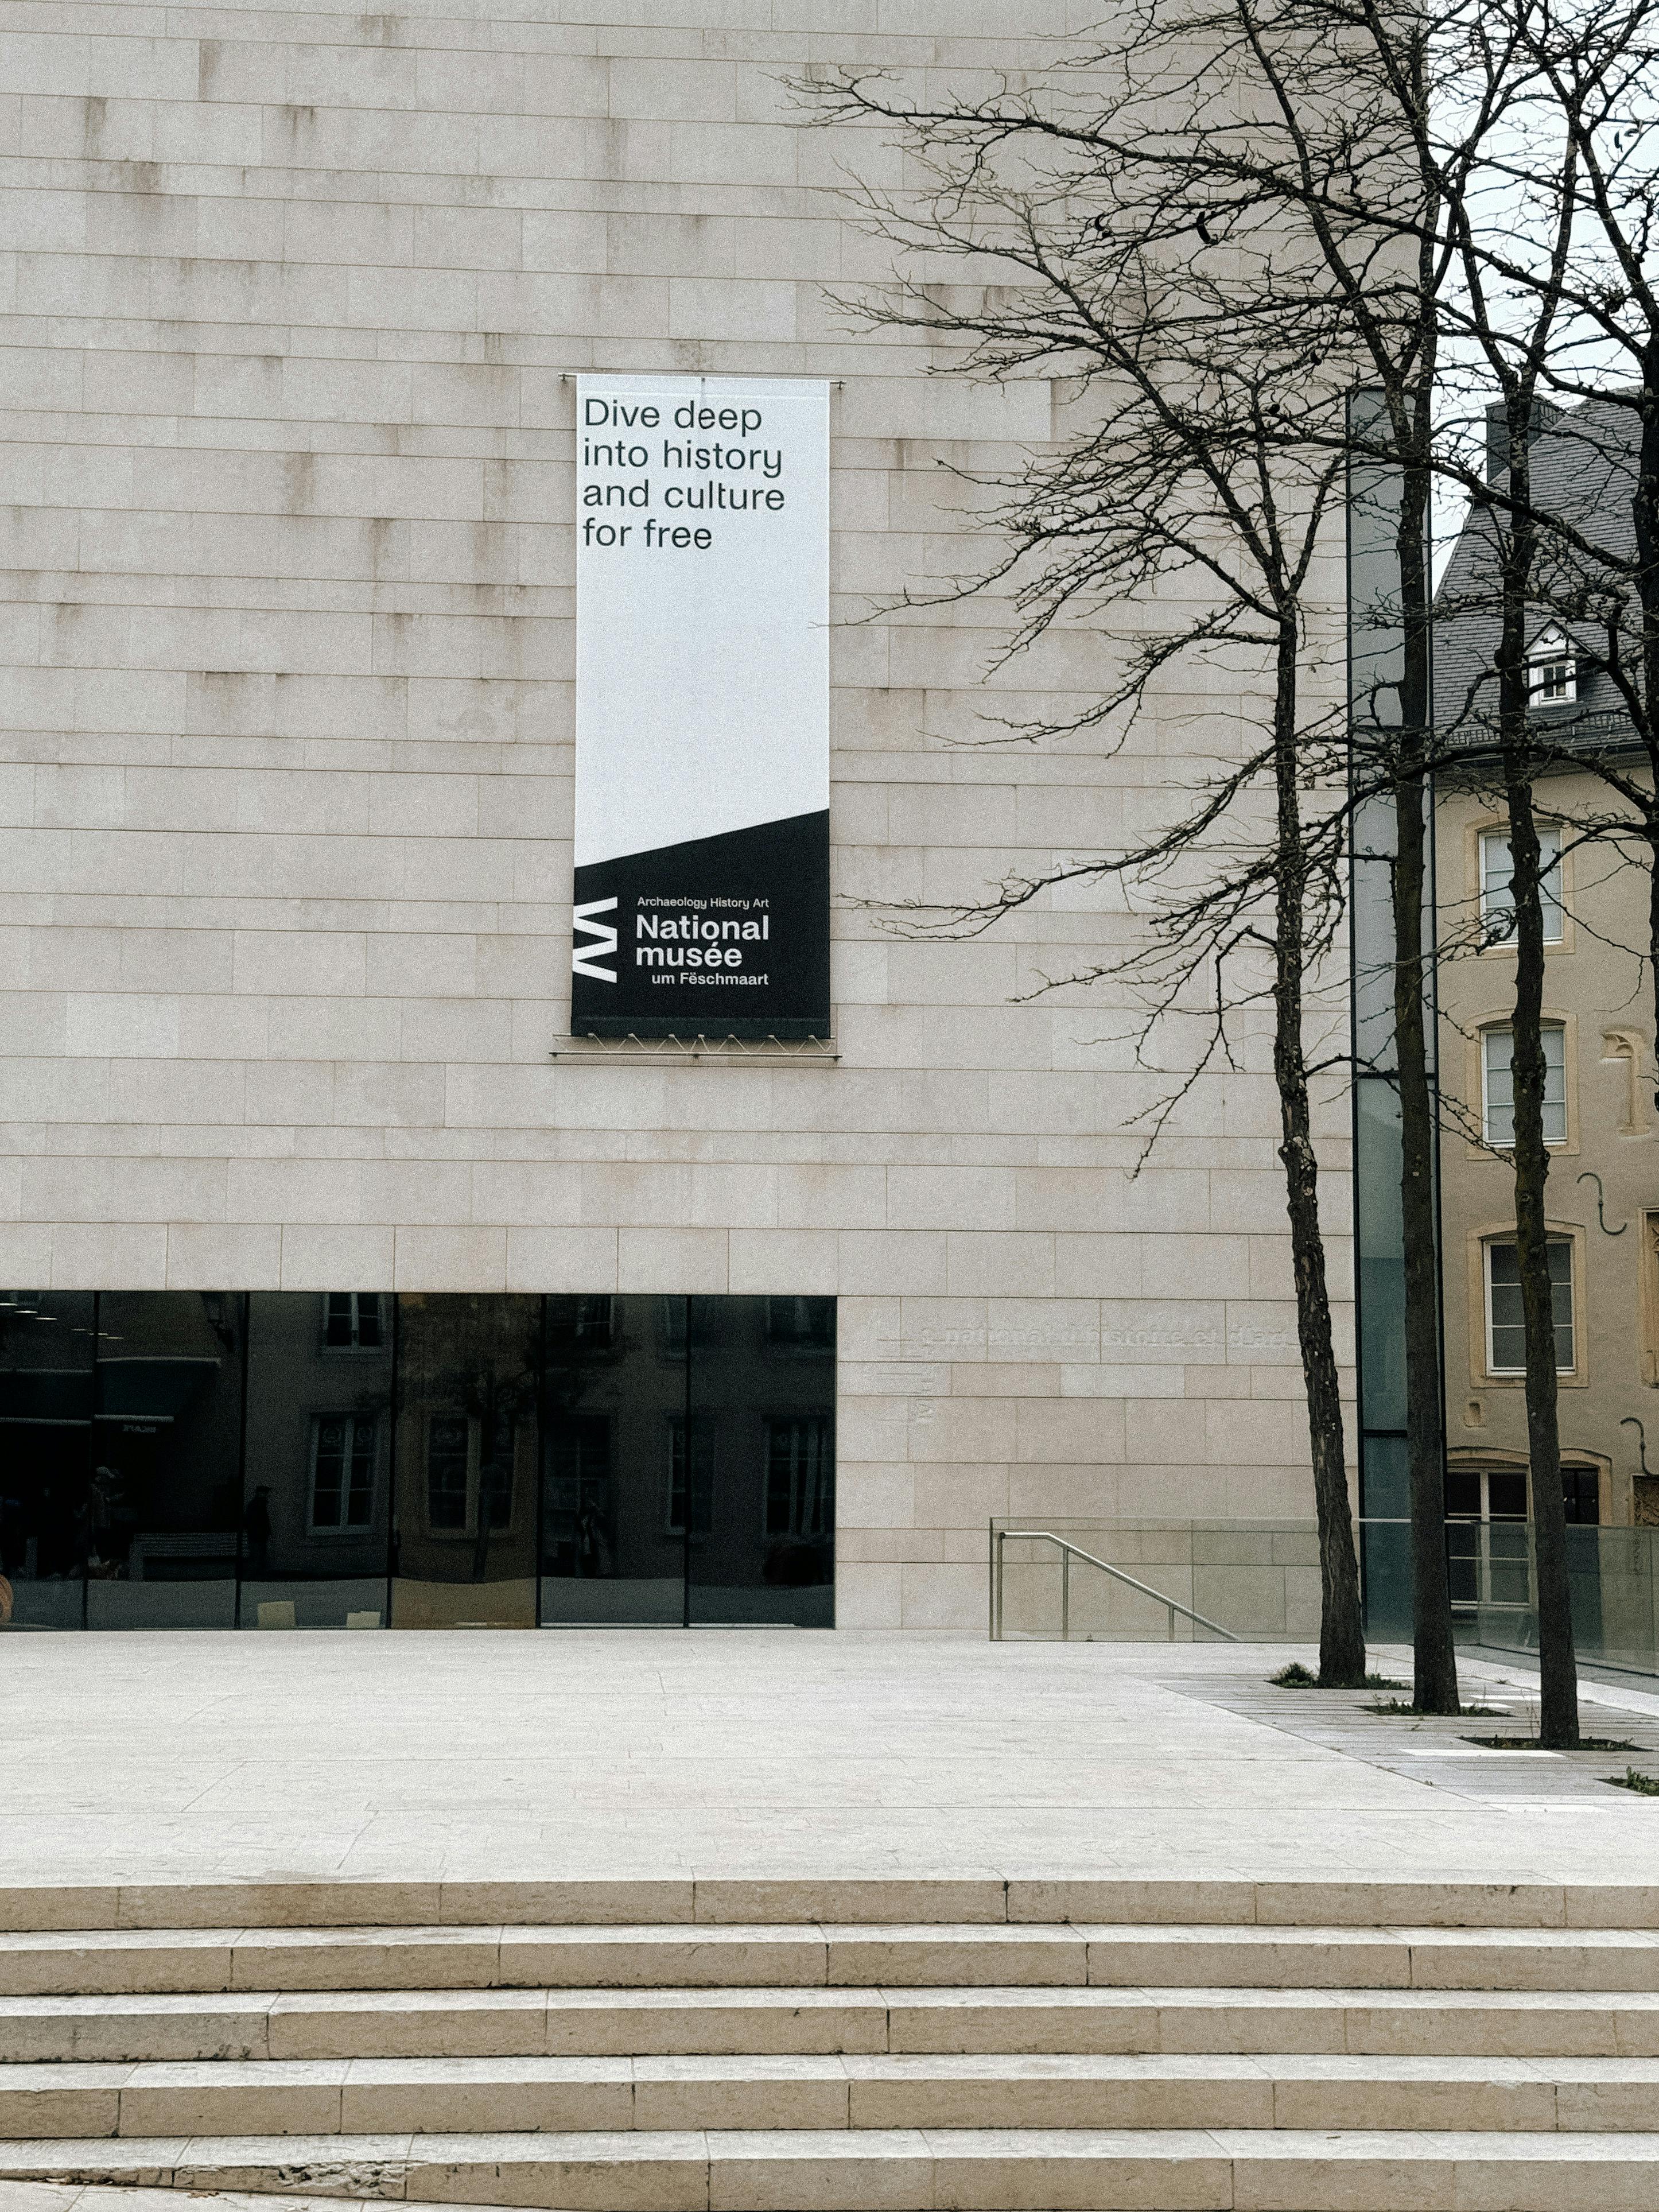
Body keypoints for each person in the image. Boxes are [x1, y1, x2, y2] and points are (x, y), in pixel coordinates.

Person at [243, 1485, 273, 1578]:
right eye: (265, 1493)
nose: (266, 1495)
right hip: (257, 1535)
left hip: (258, 1535)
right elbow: (258, 1521)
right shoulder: (258, 1505)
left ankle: (256, 1575)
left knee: (258, 1556)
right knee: (257, 1557)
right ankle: (253, 1575)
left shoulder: (258, 1505)